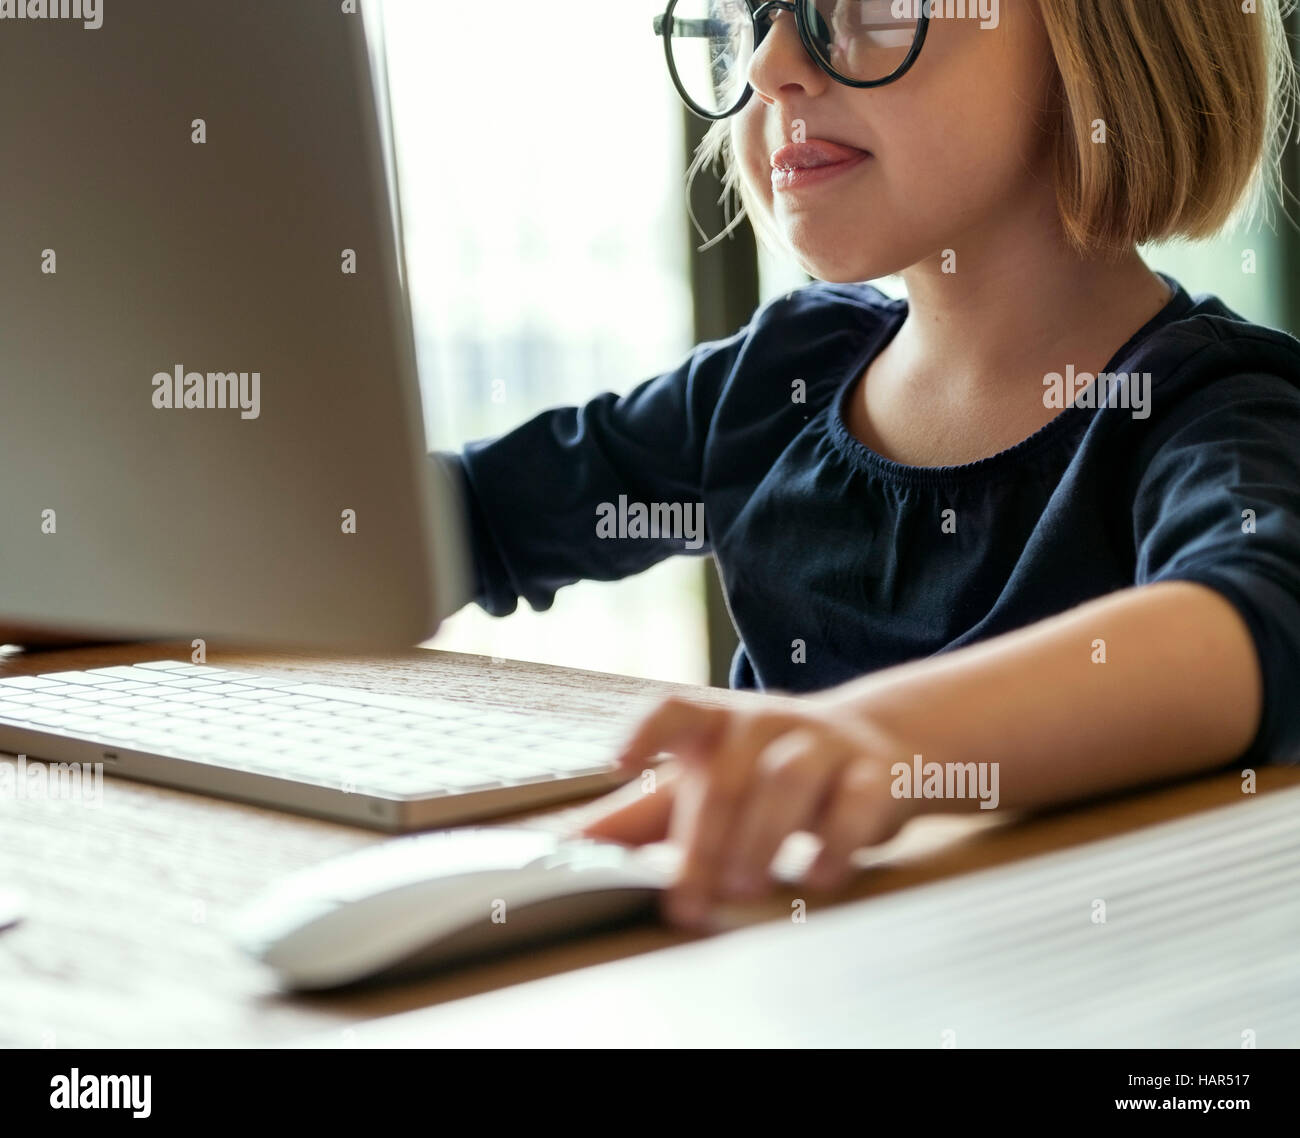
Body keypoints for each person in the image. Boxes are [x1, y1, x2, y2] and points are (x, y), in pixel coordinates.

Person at [442, 1, 1300, 926]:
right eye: (747, 17)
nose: (771, 65)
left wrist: (878, 739)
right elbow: (464, 521)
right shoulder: (782, 377)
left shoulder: (1216, 407)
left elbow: (1253, 628)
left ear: (1100, 41)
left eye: (871, 8)